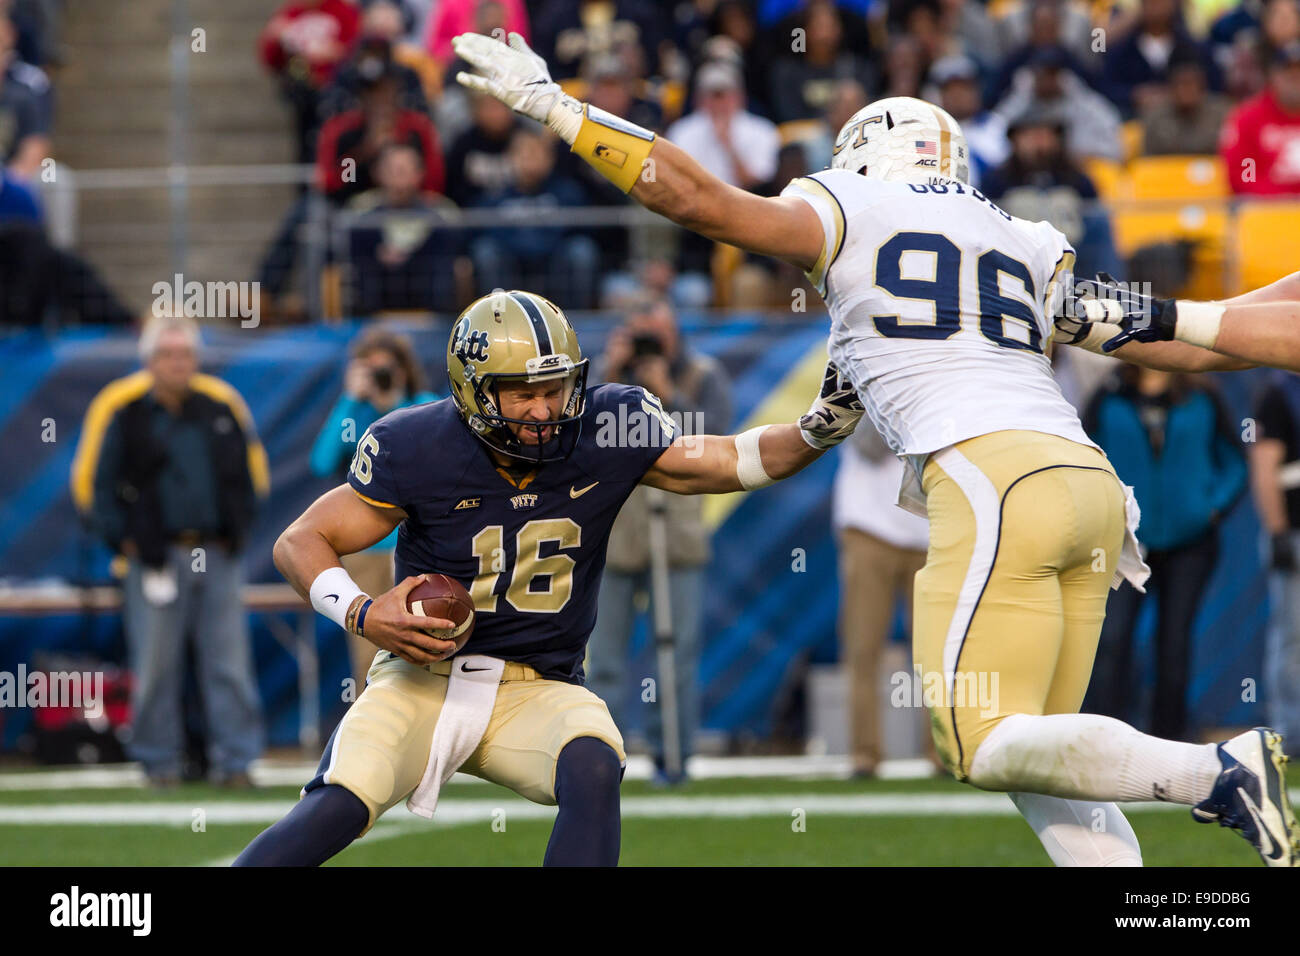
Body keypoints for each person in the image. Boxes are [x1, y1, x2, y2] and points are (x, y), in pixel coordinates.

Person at [452, 30, 1298, 866]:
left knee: (975, 739)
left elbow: (699, 202)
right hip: (1088, 492)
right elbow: (1188, 339)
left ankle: (1216, 770)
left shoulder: (853, 211)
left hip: (991, 478)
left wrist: (558, 107)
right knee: (1041, 757)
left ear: (859, 157)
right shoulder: (1017, 240)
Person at [233, 289, 860, 866]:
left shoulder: (607, 427)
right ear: (474, 392)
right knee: (339, 804)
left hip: (537, 686)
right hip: (418, 680)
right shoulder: (415, 445)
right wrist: (363, 613)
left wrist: (816, 428)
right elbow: (300, 541)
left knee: (593, 762)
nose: (543, 409)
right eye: (520, 393)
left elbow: (727, 459)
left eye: (555, 388)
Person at [70, 312, 269, 788]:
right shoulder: (124, 410)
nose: (178, 363)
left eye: (185, 354)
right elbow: (95, 486)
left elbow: (250, 476)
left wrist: (236, 530)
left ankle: (235, 761)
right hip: (154, 558)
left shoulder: (221, 407)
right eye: (167, 354)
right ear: (149, 360)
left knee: (229, 664)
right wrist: (126, 540)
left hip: (216, 553)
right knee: (156, 665)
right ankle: (157, 762)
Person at [586, 299, 733, 783]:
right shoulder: (605, 384)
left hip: (677, 535)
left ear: (676, 333)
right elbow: (576, 441)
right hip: (614, 534)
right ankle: (602, 758)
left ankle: (675, 757)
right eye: (640, 334)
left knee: (676, 654)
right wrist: (608, 377)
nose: (650, 345)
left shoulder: (703, 376)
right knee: (603, 655)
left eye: (657, 333)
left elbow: (712, 445)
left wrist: (668, 395)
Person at [1082, 366, 1246, 740]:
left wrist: (1211, 506)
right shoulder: (1108, 395)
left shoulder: (1203, 396)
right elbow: (1083, 453)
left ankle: (1168, 741)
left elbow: (1233, 460)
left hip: (1190, 542)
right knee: (1112, 638)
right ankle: (1100, 738)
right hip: (1123, 539)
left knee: (1174, 644)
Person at [309, 327, 438, 688]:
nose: (381, 376)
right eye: (373, 369)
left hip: (420, 546)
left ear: (404, 369)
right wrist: (351, 398)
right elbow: (321, 463)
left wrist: (394, 402)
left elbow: (431, 450)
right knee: (370, 654)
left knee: (426, 640)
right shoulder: (355, 413)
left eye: (387, 369)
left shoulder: (425, 404)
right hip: (366, 551)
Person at [833, 424, 930, 778]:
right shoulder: (860, 369)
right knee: (862, 647)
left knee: (937, 652)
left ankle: (944, 752)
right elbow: (869, 444)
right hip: (869, 527)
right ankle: (865, 753)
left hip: (930, 530)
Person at [1248, 370, 1300, 758]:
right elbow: (1264, 464)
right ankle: (1292, 733)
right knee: (1293, 637)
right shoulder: (1279, 394)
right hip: (1295, 531)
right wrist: (1278, 529)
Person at [1220, 42, 1300, 195]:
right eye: (1289, 73)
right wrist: (1279, 198)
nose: (1295, 79)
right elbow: (1243, 173)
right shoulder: (1248, 118)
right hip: (1265, 212)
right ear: (1274, 76)